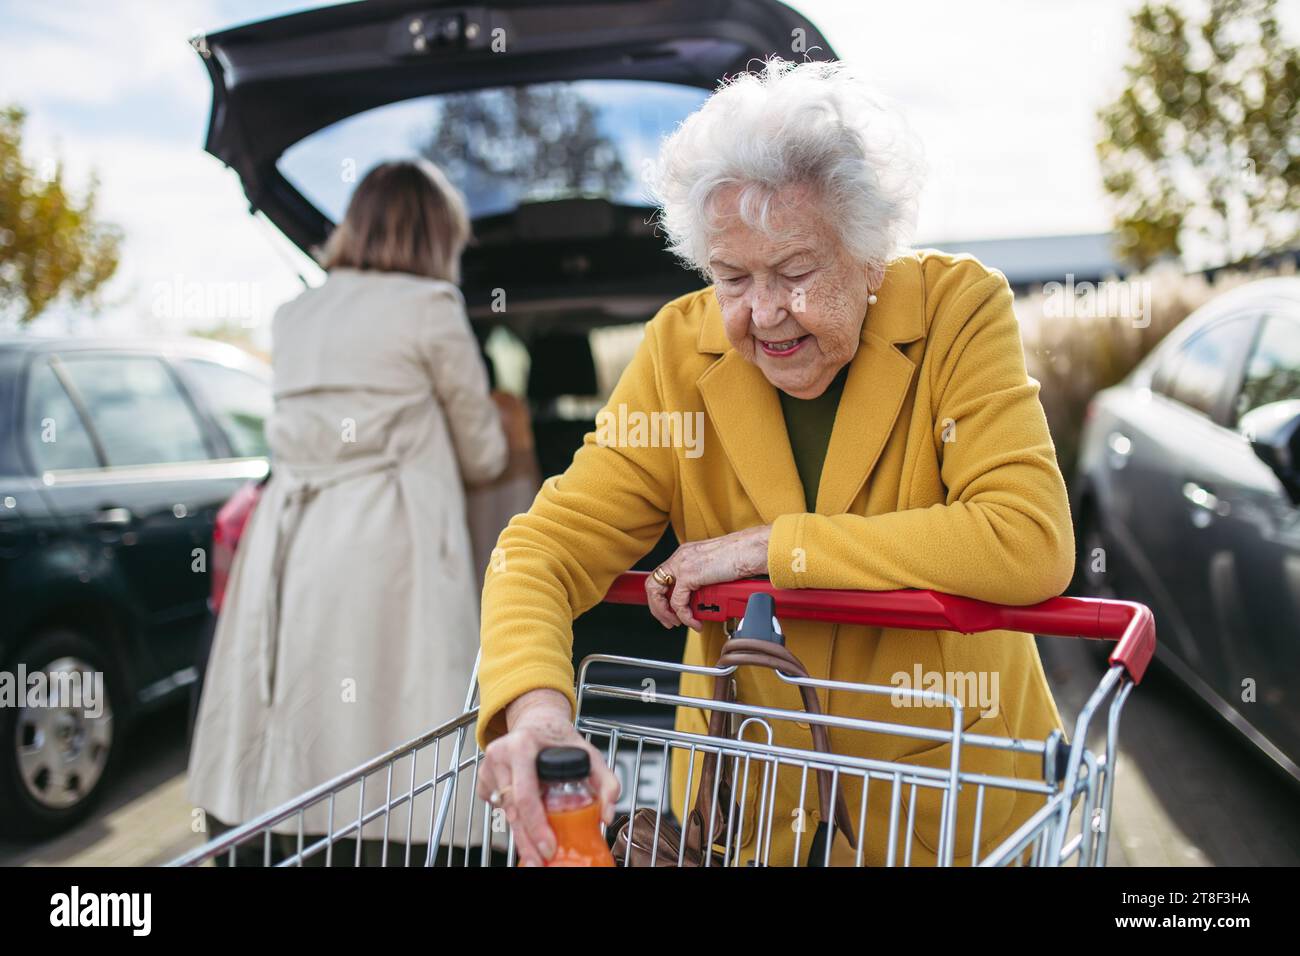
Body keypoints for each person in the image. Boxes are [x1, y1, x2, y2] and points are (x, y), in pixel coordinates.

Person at [473, 58, 1076, 867]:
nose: (762, 313)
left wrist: (771, 547)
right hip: (746, 814)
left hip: (948, 811)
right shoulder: (679, 354)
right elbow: (539, 550)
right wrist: (540, 717)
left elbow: (1026, 538)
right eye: (731, 278)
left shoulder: (957, 312)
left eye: (795, 273)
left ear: (869, 255)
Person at [187, 159, 508, 863]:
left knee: (298, 707)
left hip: (289, 540)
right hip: (390, 541)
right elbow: (484, 455)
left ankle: (286, 834)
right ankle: (409, 841)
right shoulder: (430, 309)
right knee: (400, 710)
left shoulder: (296, 313)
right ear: (436, 236)